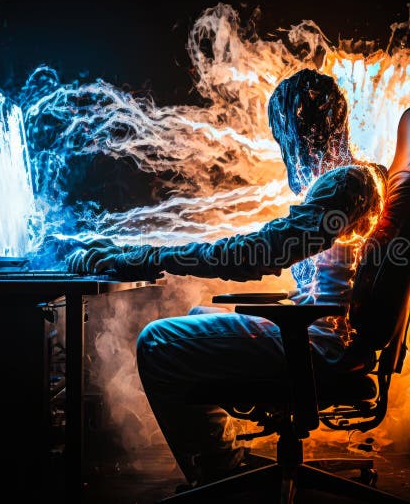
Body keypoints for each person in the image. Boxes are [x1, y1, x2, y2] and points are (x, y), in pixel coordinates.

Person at [67, 69, 386, 487]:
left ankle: (220, 478)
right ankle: (227, 466)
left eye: (283, 135)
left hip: (319, 343)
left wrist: (153, 256)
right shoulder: (360, 177)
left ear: (299, 127)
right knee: (198, 317)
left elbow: (261, 253)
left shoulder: (345, 182)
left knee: (159, 342)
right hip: (319, 332)